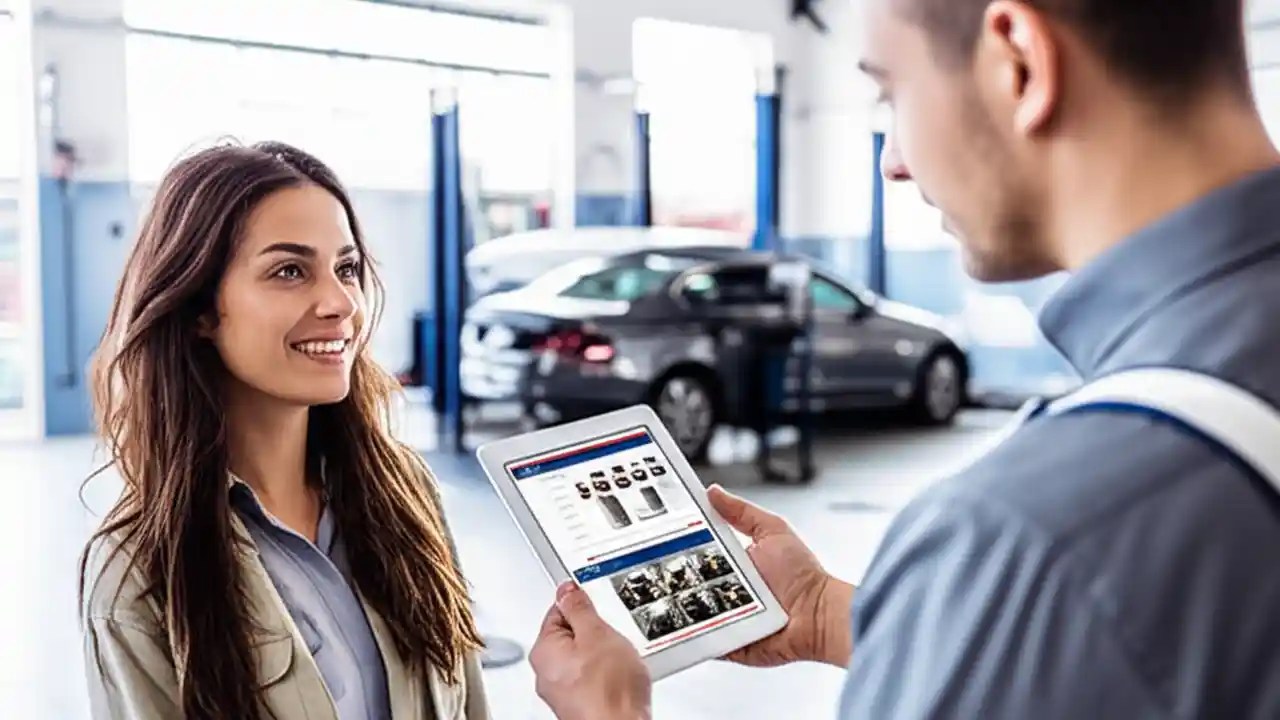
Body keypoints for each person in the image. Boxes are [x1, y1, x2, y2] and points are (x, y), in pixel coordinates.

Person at [528, 0, 1280, 717]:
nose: (893, 162)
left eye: (892, 94)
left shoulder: (1031, 537)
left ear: (1018, 62)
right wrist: (825, 613)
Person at [79, 141, 489, 720]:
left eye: (346, 268)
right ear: (199, 310)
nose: (341, 302)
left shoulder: (404, 489)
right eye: (290, 271)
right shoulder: (138, 572)